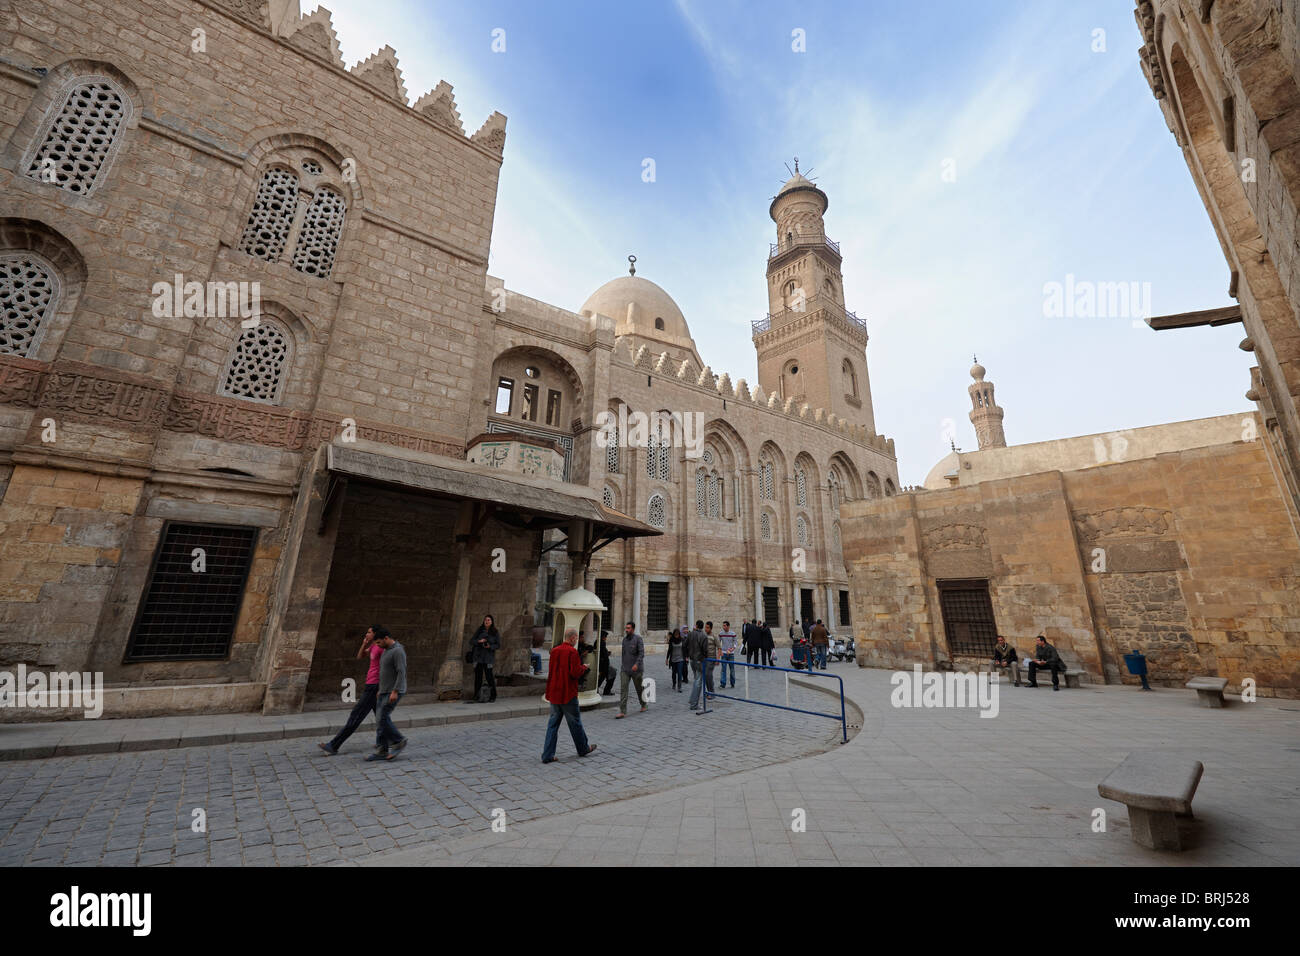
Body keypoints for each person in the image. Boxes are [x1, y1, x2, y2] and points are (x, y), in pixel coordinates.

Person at [319, 625, 386, 755]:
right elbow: (360, 656)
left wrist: (381, 687)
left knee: (356, 716)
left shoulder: (381, 648)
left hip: (374, 687)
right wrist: (364, 644)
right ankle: (388, 741)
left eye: (369, 632)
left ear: (375, 634)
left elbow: (386, 668)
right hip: (370, 684)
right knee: (381, 716)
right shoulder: (373, 646)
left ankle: (333, 745)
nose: (366, 634)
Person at [542, 627, 597, 762]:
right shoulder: (572, 652)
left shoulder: (554, 651)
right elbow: (574, 673)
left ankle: (547, 755)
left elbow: (552, 671)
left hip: (555, 693)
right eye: (576, 638)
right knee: (575, 722)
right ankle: (583, 748)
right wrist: (584, 667)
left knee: (552, 725)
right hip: (567, 693)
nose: (576, 640)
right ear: (572, 638)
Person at [367, 629, 407, 761]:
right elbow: (385, 672)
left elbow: (401, 672)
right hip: (384, 690)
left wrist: (395, 691)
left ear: (386, 638)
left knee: (382, 718)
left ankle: (398, 740)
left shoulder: (398, 651)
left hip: (394, 691)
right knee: (380, 720)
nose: (377, 646)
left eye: (379, 642)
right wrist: (380, 689)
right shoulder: (386, 650)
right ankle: (382, 750)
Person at [616, 621, 647, 717]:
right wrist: (623, 666)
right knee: (623, 689)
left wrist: (637, 664)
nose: (626, 630)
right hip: (625, 669)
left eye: (628, 628)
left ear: (633, 629)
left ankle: (643, 704)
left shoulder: (638, 639)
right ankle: (622, 711)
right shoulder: (624, 640)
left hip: (636, 669)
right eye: (626, 628)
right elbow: (623, 654)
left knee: (639, 688)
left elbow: (641, 654)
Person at [470, 613, 500, 703]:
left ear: (492, 622)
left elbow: (498, 645)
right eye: (485, 620)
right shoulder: (480, 630)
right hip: (479, 657)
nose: (486, 621)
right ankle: (476, 695)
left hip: (488, 658)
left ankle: (493, 696)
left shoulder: (495, 632)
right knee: (478, 677)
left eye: (488, 620)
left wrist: (490, 646)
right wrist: (479, 641)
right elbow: (471, 641)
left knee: (489, 677)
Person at [685, 619, 709, 710]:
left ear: (696, 625)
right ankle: (694, 704)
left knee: (696, 680)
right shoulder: (703, 636)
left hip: (692, 660)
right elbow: (705, 650)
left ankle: (692, 699)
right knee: (698, 682)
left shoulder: (691, 634)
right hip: (699, 660)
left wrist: (687, 655)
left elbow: (685, 645)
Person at [718, 621, 738, 688]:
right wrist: (720, 651)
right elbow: (718, 642)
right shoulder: (721, 633)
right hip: (723, 653)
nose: (723, 627)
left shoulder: (733, 634)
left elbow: (735, 643)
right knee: (723, 669)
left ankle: (732, 683)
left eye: (725, 625)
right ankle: (723, 684)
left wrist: (733, 649)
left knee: (732, 669)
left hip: (731, 654)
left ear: (728, 626)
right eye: (723, 625)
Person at [703, 621, 718, 694]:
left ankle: (711, 692)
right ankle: (709, 691)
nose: (706, 629)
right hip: (704, 658)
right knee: (706, 676)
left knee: (708, 674)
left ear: (711, 628)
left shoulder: (714, 636)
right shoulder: (703, 635)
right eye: (705, 627)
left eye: (707, 627)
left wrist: (718, 659)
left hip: (711, 659)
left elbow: (719, 648)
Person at [599, 631, 616, 695]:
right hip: (604, 665)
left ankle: (599, 689)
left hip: (603, 664)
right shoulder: (602, 643)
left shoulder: (599, 642)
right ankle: (606, 691)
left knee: (602, 677)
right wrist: (607, 653)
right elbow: (603, 654)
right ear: (603, 637)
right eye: (605, 637)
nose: (606, 638)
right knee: (612, 675)